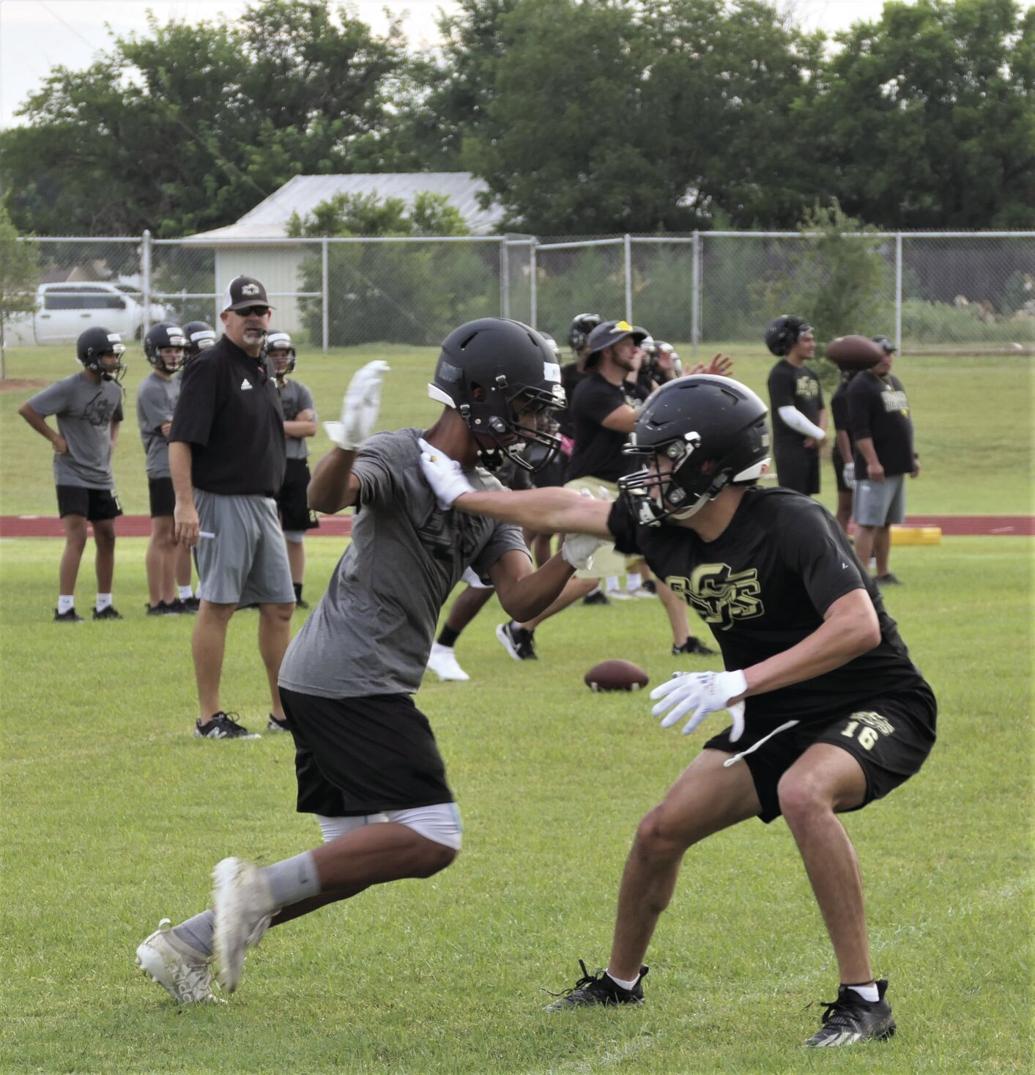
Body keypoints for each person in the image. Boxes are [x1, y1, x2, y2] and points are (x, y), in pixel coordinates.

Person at [419, 373, 937, 1047]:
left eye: (661, 458)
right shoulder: (660, 522)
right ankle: (619, 981)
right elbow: (568, 508)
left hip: (875, 699)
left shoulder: (790, 521)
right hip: (774, 708)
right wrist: (464, 494)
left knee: (804, 791)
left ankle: (863, 999)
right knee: (659, 832)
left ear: (710, 463)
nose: (648, 473)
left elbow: (857, 627)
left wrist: (737, 680)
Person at [135, 316, 601, 1004]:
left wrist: (571, 555)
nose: (535, 424)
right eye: (528, 405)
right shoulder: (399, 453)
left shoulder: (487, 492)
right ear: (481, 394)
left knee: (349, 862)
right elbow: (325, 498)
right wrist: (346, 443)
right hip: (348, 677)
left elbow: (517, 598)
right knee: (432, 836)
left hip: (336, 679)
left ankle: (187, 943)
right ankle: (248, 889)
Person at [496, 319, 715, 660]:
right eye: (627, 343)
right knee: (590, 578)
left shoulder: (633, 390)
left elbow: (655, 411)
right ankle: (519, 627)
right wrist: (685, 393)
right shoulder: (591, 390)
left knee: (664, 564)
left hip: (628, 491)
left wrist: (686, 386)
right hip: (591, 490)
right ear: (607, 351)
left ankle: (683, 641)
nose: (636, 349)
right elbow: (635, 421)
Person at [168, 276, 295, 740]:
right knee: (218, 604)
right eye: (245, 312)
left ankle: (284, 714)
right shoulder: (211, 366)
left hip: (262, 505)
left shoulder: (262, 370)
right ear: (226, 318)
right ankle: (209, 717)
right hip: (220, 503)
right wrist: (185, 504)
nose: (254, 319)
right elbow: (180, 440)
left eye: (260, 311)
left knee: (280, 606)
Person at [18, 326, 126, 622]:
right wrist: (54, 437)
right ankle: (65, 606)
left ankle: (104, 604)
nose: (114, 361)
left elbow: (116, 418)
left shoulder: (114, 389)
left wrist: (112, 442)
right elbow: (28, 409)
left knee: (108, 536)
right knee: (76, 537)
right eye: (108, 356)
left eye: (115, 355)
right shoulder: (68, 387)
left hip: (102, 475)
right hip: (72, 473)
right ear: (91, 357)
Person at [847, 336, 918, 586]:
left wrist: (913, 457)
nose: (886, 358)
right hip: (876, 468)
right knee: (868, 522)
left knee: (886, 523)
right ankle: (859, 577)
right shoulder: (860, 386)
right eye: (880, 354)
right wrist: (872, 461)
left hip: (896, 465)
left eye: (889, 354)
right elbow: (860, 430)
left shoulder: (893, 382)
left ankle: (883, 572)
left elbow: (905, 421)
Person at [137, 322, 198, 615]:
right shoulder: (151, 388)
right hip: (163, 466)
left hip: (181, 466)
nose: (174, 356)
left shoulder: (177, 382)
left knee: (175, 535)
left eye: (178, 350)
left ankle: (170, 596)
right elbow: (170, 429)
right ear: (154, 352)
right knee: (162, 533)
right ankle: (157, 599)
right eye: (168, 350)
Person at [268, 330, 319, 611]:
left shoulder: (300, 390)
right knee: (267, 532)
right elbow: (257, 428)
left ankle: (295, 591)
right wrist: (292, 426)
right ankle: (270, 589)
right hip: (267, 464)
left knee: (295, 534)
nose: (280, 360)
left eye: (283, 354)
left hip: (297, 466)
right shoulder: (259, 387)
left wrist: (276, 427)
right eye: (274, 355)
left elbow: (310, 428)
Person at [765, 315, 827, 495]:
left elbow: (821, 408)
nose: (812, 344)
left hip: (811, 449)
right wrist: (817, 433)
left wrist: (818, 435)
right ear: (791, 342)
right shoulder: (780, 374)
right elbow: (787, 412)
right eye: (807, 340)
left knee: (807, 501)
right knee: (794, 500)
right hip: (791, 452)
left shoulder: (810, 373)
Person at [829, 367, 859, 535]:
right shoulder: (841, 396)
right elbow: (841, 430)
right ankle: (840, 548)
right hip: (848, 453)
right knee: (846, 505)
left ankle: (871, 551)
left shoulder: (868, 390)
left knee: (867, 506)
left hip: (866, 452)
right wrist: (848, 462)